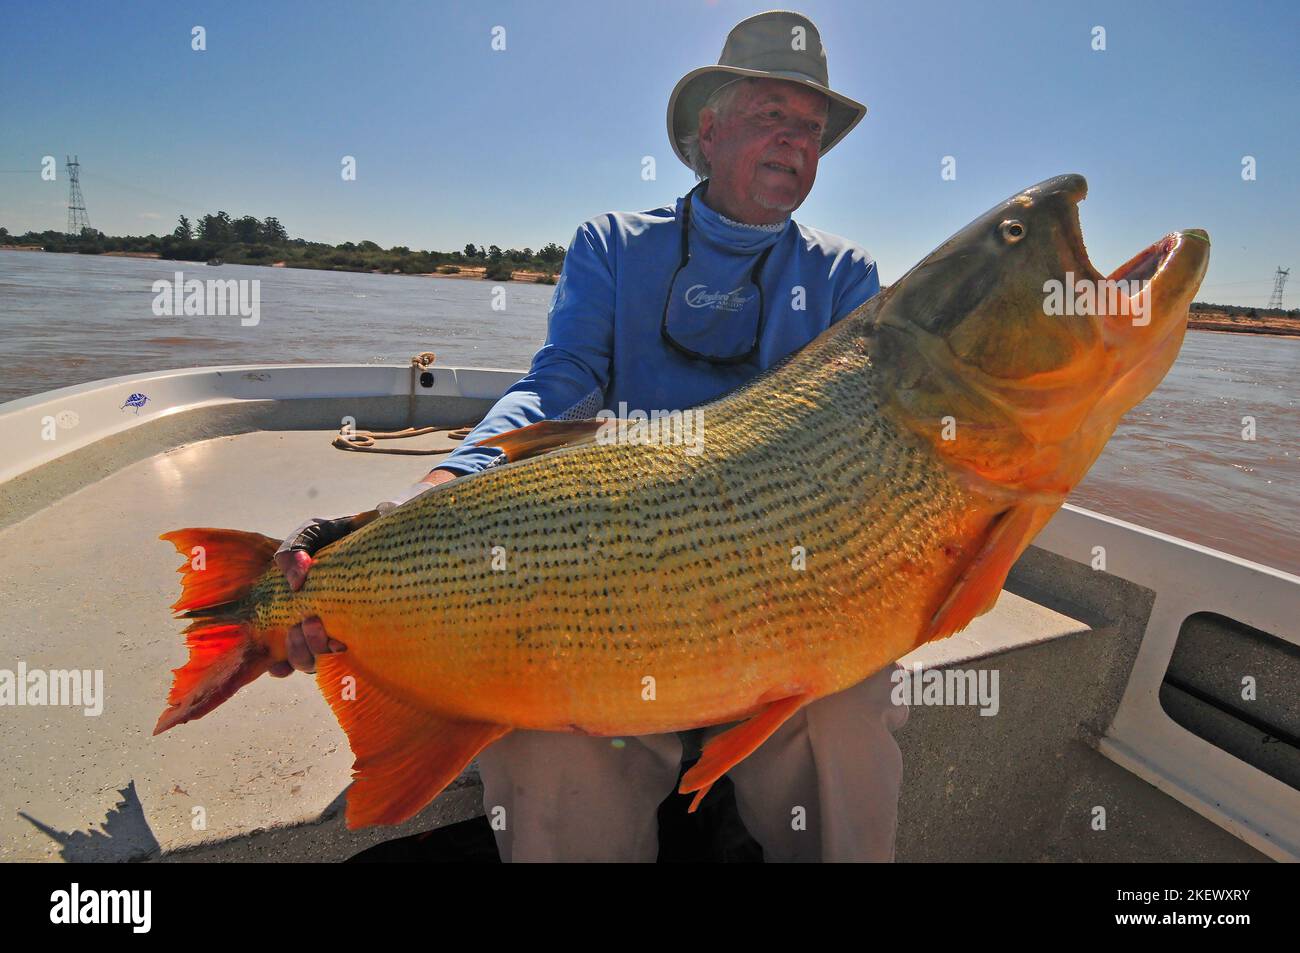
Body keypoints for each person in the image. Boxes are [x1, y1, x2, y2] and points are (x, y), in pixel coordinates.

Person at [274, 10, 908, 862]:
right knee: (548, 742)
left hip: (778, 594)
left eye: (812, 128)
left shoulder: (848, 276)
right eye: (771, 116)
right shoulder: (612, 244)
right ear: (709, 131)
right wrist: (431, 493)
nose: (796, 142)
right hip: (606, 581)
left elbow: (870, 438)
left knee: (846, 714)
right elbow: (556, 383)